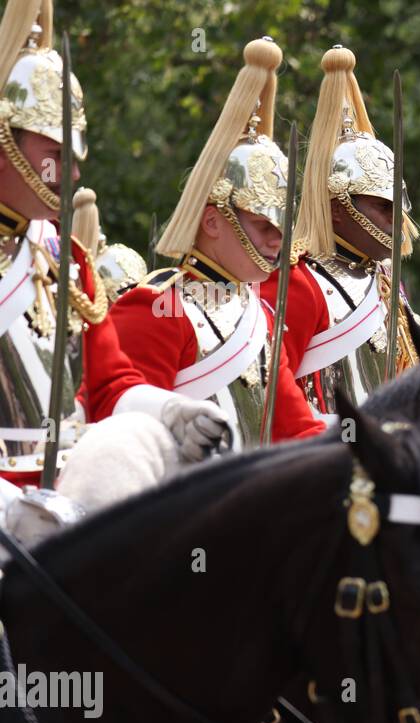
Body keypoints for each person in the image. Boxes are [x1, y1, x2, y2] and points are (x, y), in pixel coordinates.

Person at [0, 0, 227, 492]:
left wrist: (168, 409)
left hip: (63, 497)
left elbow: (107, 387)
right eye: (56, 155)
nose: (75, 173)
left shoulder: (67, 259)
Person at [109, 37, 324, 449]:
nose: (279, 238)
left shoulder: (256, 314)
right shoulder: (158, 306)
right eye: (264, 225)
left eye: (282, 225)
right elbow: (126, 435)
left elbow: (295, 429)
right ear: (212, 220)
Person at [271, 45, 420, 424]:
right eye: (381, 207)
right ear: (338, 210)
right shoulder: (300, 281)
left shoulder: (387, 282)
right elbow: (274, 388)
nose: (396, 219)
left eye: (395, 205)